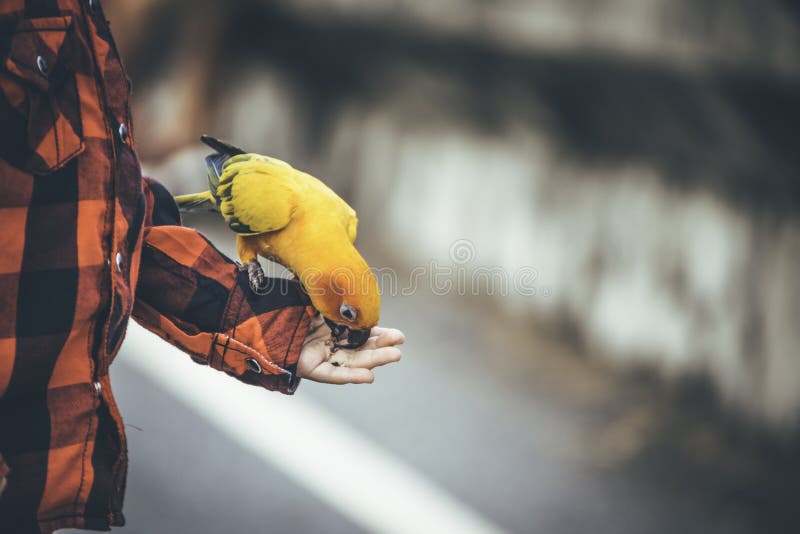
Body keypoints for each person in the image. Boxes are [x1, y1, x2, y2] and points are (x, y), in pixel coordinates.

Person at [0, 1, 404, 532]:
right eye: (347, 314)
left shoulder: (342, 222)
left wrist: (277, 329)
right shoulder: (278, 210)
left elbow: (99, 217)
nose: (344, 321)